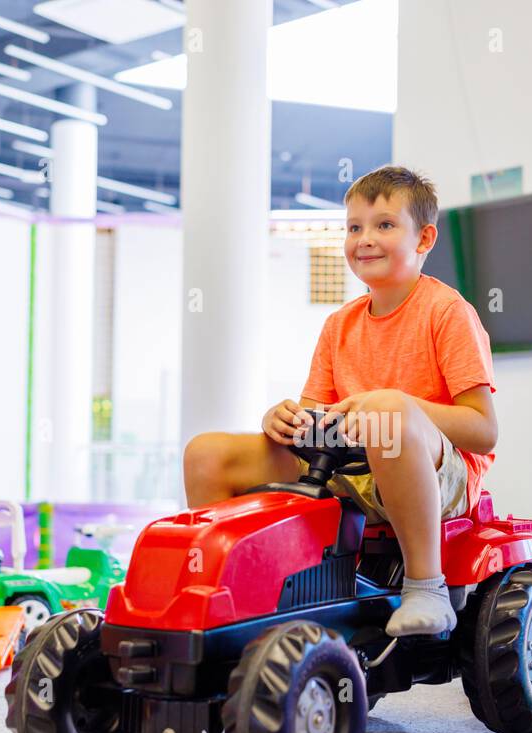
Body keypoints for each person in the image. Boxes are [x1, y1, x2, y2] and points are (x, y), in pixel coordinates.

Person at [183, 165, 497, 637]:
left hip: (436, 475)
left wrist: (396, 405)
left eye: (385, 225)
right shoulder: (338, 325)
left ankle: (426, 586)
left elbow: (483, 429)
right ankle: (216, 589)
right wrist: (283, 419)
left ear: (425, 238)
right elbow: (315, 420)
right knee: (206, 453)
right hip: (348, 467)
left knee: (388, 417)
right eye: (354, 227)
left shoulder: (448, 312)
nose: (365, 238)